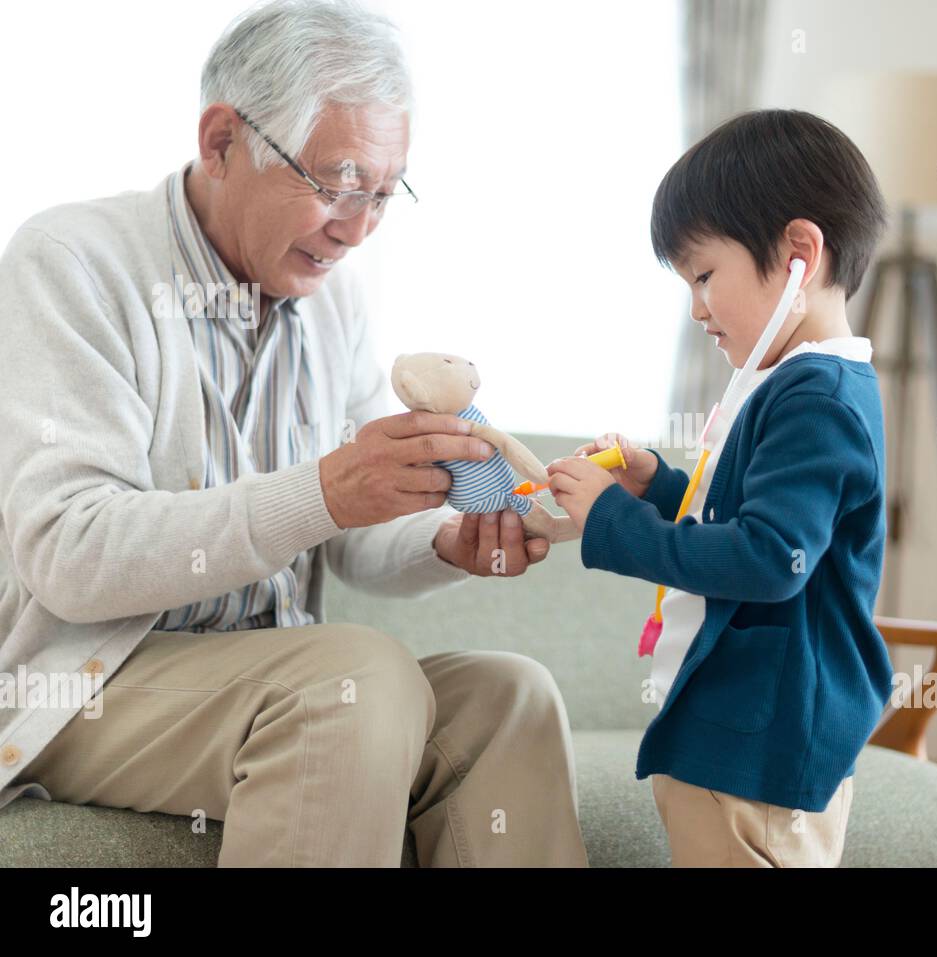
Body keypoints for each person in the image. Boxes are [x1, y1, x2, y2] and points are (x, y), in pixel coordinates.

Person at [0, 0, 587, 867]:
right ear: (221, 141)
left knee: (511, 696)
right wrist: (321, 491)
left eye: (384, 195)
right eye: (338, 185)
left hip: (260, 676)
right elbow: (67, 554)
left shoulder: (330, 298)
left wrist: (448, 538)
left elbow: (355, 538)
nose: (357, 231)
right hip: (83, 683)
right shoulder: (73, 263)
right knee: (352, 680)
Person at [545, 108, 891, 867]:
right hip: (733, 740)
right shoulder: (789, 387)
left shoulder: (817, 399)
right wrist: (657, 488)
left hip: (758, 750)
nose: (697, 308)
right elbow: (745, 516)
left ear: (800, 252)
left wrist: (612, 522)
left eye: (704, 275)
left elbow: (770, 557)